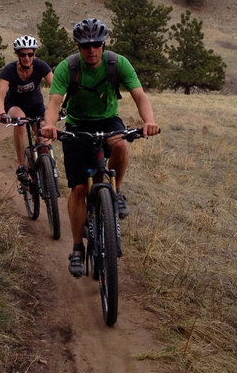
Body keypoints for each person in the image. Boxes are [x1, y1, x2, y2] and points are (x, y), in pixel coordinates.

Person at [39, 18, 160, 278]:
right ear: (78, 46)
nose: (91, 50)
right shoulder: (67, 68)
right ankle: (77, 248)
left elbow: (140, 95)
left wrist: (149, 121)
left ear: (104, 44)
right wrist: (49, 126)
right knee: (80, 188)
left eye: (96, 45)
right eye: (85, 46)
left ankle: (115, 193)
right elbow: (54, 101)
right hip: (76, 125)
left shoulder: (118, 63)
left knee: (122, 147)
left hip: (108, 121)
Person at [0, 35, 54, 186]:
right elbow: (0, 96)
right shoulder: (9, 70)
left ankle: (46, 170)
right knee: (20, 121)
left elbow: (56, 89)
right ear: (17, 55)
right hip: (15, 105)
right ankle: (22, 165)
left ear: (34, 54)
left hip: (36, 106)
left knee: (43, 138)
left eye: (30, 54)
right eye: (23, 54)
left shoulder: (41, 66)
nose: (27, 57)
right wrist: (2, 113)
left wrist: (59, 106)